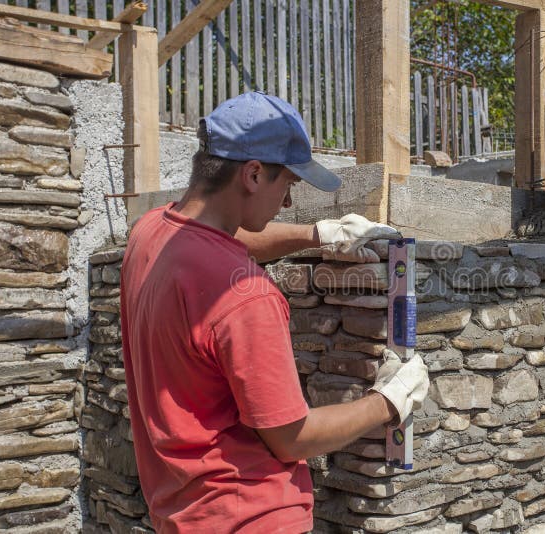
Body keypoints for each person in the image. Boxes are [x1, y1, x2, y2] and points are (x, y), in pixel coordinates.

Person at [119, 92, 430, 533]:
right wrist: (389, 401)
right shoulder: (246, 297)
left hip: (182, 511)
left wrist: (317, 234)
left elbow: (218, 241)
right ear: (253, 174)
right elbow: (291, 438)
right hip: (251, 516)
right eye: (288, 185)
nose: (287, 203)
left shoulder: (151, 233)